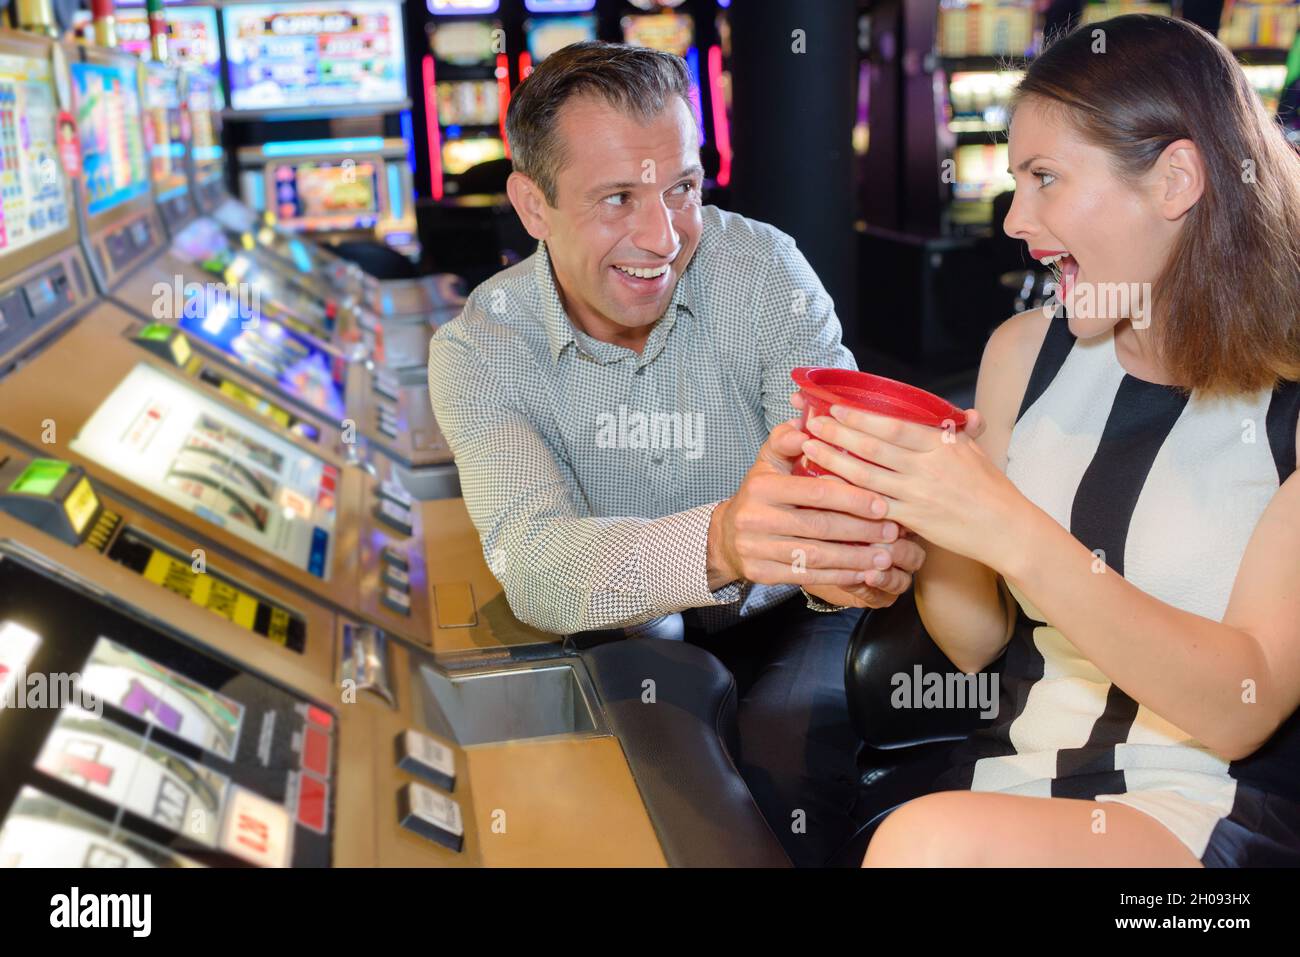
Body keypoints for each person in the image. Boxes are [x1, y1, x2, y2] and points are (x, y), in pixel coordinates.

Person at [800, 15, 1300, 866]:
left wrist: (1007, 526)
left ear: (1176, 178)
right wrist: (915, 517)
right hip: (1009, 775)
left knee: (925, 847)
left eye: (1045, 178)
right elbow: (972, 641)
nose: (1014, 217)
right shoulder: (1022, 353)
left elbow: (1241, 704)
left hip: (1211, 815)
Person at [426, 41, 920, 866]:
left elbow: (847, 482)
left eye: (682, 188)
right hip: (614, 627)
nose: (662, 236)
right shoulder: (479, 348)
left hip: (791, 611)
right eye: (618, 198)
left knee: (784, 771)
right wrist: (723, 539)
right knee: (651, 797)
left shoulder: (763, 268)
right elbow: (539, 562)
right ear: (532, 204)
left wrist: (853, 535)